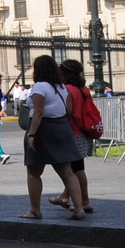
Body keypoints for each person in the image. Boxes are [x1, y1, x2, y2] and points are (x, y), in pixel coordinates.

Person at [20, 56, 86, 221]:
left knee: (34, 171)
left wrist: (32, 134)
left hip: (43, 129)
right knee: (67, 172)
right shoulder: (62, 88)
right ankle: (79, 208)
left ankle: (35, 210)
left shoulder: (40, 87)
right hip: (62, 127)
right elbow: (69, 110)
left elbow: (38, 112)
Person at [51, 60, 94, 215]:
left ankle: (85, 201)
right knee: (73, 168)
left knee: (76, 169)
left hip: (73, 132)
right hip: (83, 131)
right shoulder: (83, 89)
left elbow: (69, 111)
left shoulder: (68, 89)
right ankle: (65, 196)